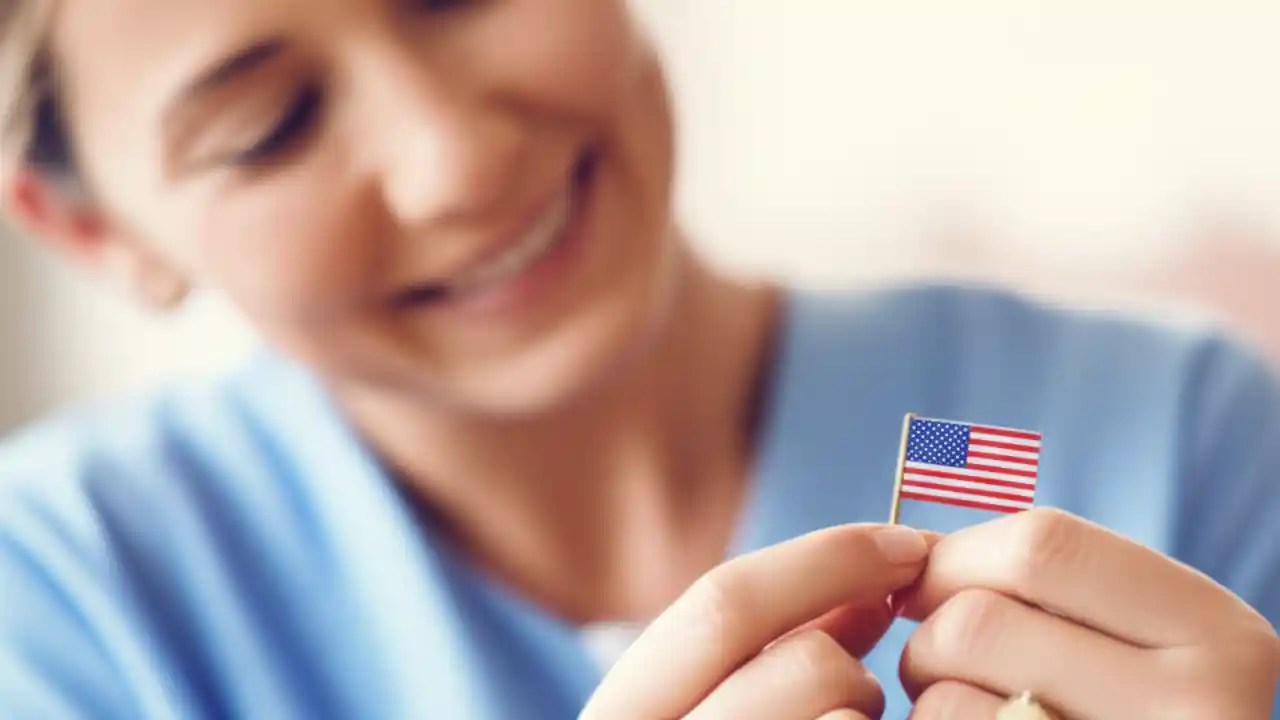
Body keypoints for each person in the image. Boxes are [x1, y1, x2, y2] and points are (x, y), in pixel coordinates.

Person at [0, 1, 1276, 718]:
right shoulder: (64, 599)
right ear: (93, 229)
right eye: (268, 129)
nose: (455, 161)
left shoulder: (1179, 436)